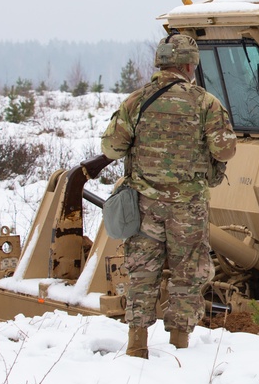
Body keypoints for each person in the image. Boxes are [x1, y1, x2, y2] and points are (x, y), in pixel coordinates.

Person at [101, 34, 236, 358]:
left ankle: (136, 348)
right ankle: (179, 347)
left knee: (142, 274)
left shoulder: (136, 101)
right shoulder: (205, 103)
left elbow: (111, 147)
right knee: (187, 275)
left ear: (161, 62)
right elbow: (226, 148)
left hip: (144, 207)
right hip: (188, 209)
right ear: (190, 65)